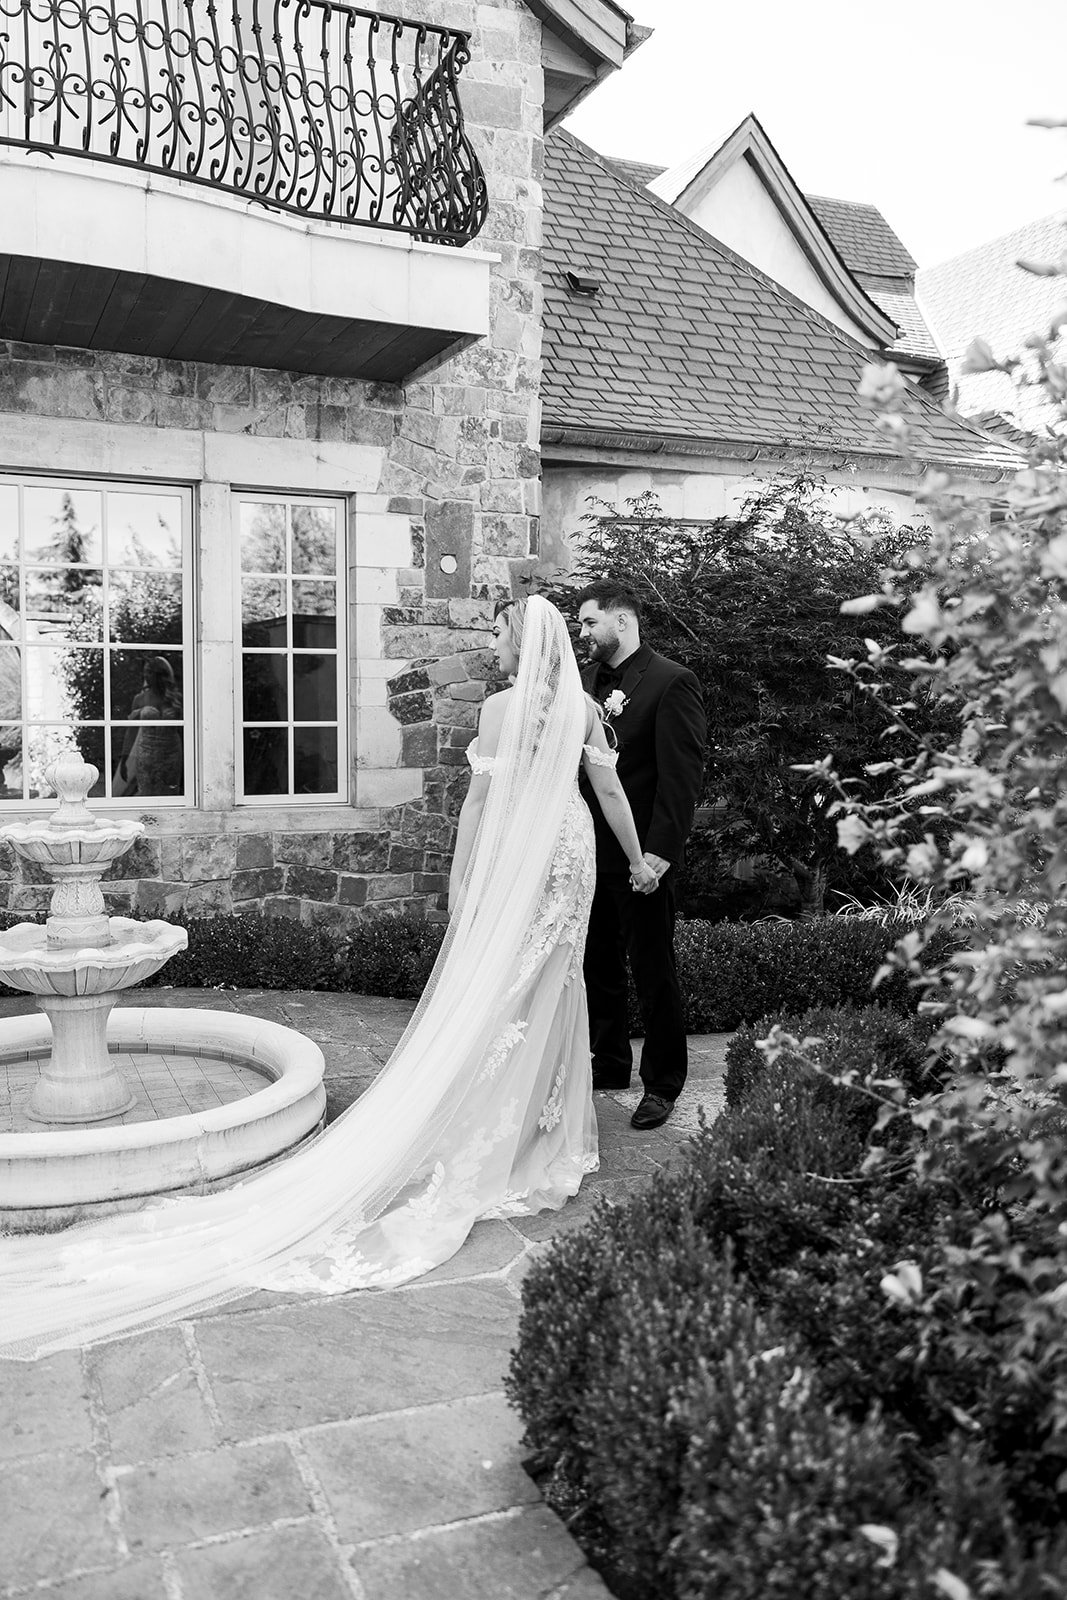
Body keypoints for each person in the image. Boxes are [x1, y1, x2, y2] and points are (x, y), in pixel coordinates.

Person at [0, 597, 657, 1360]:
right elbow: (606, 791)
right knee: (551, 981)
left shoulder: (499, 710)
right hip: (568, 852)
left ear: (524, 640)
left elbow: (478, 805)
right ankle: (540, 1140)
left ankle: (514, 1134)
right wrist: (636, 858)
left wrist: (461, 882)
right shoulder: (579, 707)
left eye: (501, 632)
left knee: (506, 988)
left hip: (519, 854)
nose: (495, 644)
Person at [577, 580, 707, 1131]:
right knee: (596, 963)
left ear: (622, 622)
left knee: (653, 968)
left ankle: (662, 1083)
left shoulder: (672, 682)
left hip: (642, 858)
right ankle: (609, 1065)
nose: (581, 633)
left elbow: (682, 778)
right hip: (586, 849)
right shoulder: (580, 683)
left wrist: (658, 854)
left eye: (588, 623)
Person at [116, 657, 183, 797]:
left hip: (171, 751)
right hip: (147, 751)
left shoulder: (176, 698)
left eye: (149, 672)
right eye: (145, 672)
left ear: (159, 675)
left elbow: (186, 730)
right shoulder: (139, 699)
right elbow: (131, 731)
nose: (146, 676)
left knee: (170, 790)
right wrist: (124, 759)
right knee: (147, 790)